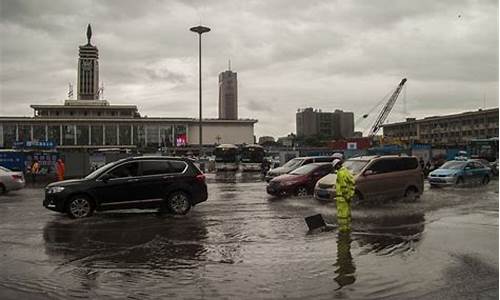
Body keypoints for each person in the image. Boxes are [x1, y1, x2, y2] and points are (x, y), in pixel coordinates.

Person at [335, 160, 355, 233]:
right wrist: (350, 195)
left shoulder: (340, 173)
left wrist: (346, 196)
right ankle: (348, 228)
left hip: (342, 198)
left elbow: (343, 186)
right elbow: (352, 183)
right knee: (347, 214)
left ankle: (343, 230)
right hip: (347, 197)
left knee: (342, 215)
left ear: (337, 166)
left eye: (335, 167)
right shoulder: (346, 171)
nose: (335, 169)